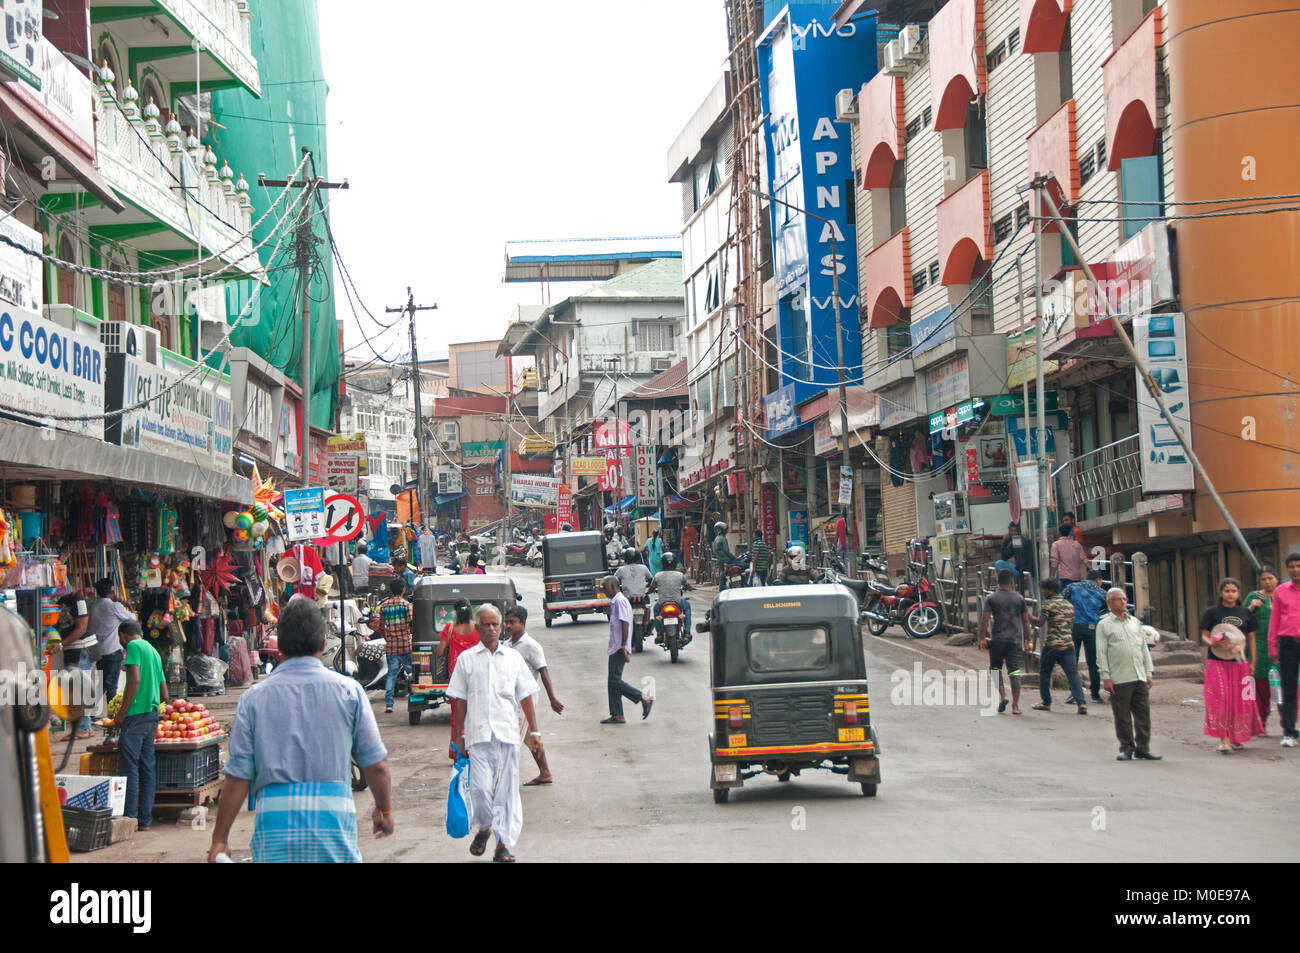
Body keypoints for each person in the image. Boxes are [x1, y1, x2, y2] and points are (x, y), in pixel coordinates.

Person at [209, 598, 392, 862]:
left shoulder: (254, 698)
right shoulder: (349, 692)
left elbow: (238, 777)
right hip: (333, 826)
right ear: (322, 644)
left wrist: (219, 840)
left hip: (274, 827)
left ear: (280, 647)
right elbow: (376, 765)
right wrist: (384, 809)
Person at [446, 604, 541, 863]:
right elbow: (460, 700)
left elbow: (526, 696)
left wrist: (535, 732)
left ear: (500, 627)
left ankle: (501, 845)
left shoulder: (513, 659)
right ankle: (485, 827)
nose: (491, 629)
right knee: (481, 791)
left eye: (495, 625)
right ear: (477, 628)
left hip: (507, 735)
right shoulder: (467, 659)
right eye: (485, 625)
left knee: (506, 794)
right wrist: (456, 738)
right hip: (477, 737)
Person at [112, 619, 167, 832]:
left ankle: (131, 816)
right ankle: (145, 820)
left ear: (124, 635)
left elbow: (133, 680)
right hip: (152, 715)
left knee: (130, 766)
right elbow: (164, 693)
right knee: (147, 766)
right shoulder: (153, 651)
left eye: (120, 638)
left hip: (135, 715)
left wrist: (122, 712)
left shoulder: (134, 647)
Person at [1200, 578, 1265, 753]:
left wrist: (1252, 662)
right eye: (1227, 591)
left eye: (1233, 591)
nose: (1230, 594)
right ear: (1221, 592)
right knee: (1219, 700)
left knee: (1242, 700)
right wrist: (1212, 643)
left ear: (1238, 593)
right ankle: (1224, 739)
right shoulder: (1211, 612)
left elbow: (1251, 638)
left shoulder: (1246, 612)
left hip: (1240, 663)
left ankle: (1238, 737)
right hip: (1217, 662)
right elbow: (1204, 636)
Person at [1096, 587, 1160, 761]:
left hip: (1139, 675)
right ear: (1109, 603)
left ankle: (1143, 748)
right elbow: (1101, 652)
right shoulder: (1104, 625)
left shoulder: (1135, 623)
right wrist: (1106, 676)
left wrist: (1148, 672)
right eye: (1118, 599)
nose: (1123, 602)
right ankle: (1126, 748)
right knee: (1122, 716)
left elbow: (1143, 649)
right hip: (1119, 676)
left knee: (1143, 715)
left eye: (1124, 599)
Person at [503, 605, 564, 785]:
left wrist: (553, 699)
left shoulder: (531, 646)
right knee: (531, 737)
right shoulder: (506, 645)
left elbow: (543, 672)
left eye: (512, 622)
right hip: (510, 698)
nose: (508, 626)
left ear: (522, 623)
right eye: (506, 622)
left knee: (513, 737)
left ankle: (507, 779)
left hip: (525, 700)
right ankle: (545, 772)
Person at [600, 575, 652, 725]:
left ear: (612, 587)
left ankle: (642, 697)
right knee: (612, 682)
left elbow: (625, 624)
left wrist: (623, 646)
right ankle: (617, 714)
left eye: (604, 589)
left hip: (619, 647)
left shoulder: (620, 601)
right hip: (615, 646)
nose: (604, 592)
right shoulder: (615, 601)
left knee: (614, 681)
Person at [1030, 578, 1087, 714]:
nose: (1043, 592)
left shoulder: (1048, 604)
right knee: (1073, 674)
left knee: (1044, 674)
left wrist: (1027, 616)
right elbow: (1071, 626)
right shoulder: (1069, 605)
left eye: (1044, 589)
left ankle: (1046, 702)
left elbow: (1040, 623)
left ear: (1050, 590)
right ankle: (1081, 703)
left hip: (1052, 645)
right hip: (1068, 645)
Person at [978, 569, 1031, 715]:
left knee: (995, 669)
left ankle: (1003, 695)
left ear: (997, 581)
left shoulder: (991, 598)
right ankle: (1016, 706)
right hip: (1015, 640)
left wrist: (982, 638)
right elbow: (1025, 620)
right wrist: (1029, 640)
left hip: (998, 640)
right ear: (1012, 581)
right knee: (1014, 671)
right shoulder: (1019, 598)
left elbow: (985, 619)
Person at [1268, 553, 1300, 748]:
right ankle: (1289, 732)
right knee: (1289, 689)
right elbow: (1274, 621)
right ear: (1287, 569)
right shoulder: (1281, 591)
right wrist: (1272, 646)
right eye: (1292, 567)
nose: (1296, 570)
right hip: (1288, 644)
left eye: (1298, 566)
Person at [88, 578, 135, 708]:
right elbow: (132, 619)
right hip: (112, 651)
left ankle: (90, 711)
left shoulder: (93, 607)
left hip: (98, 651)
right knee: (111, 685)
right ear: (111, 591)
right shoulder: (114, 606)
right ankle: (112, 713)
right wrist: (126, 604)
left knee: (103, 683)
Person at [1244, 566, 1279, 730]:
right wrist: (1251, 608)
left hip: (1281, 647)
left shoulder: (1284, 594)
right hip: (1258, 648)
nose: (1267, 582)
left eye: (1270, 578)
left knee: (1284, 687)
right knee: (1260, 689)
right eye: (1263, 579)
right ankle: (1260, 724)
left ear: (1276, 579)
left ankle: (1288, 725)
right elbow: (1241, 620)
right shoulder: (1254, 597)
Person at [1065, 569, 1108, 702]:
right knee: (1093, 662)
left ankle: (1074, 692)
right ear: (1099, 580)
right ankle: (1095, 694)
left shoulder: (1072, 587)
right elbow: (1107, 610)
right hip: (1092, 628)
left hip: (1073, 627)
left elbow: (1063, 601)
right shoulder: (1102, 592)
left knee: (1073, 661)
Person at [56, 591, 93, 739]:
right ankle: (86, 727)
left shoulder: (78, 600)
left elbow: (82, 628)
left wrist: (60, 644)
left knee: (78, 689)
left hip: (82, 649)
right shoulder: (61, 600)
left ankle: (83, 728)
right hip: (72, 651)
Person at [374, 578, 413, 714]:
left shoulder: (384, 606)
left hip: (391, 646)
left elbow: (381, 627)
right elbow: (412, 624)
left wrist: (388, 638)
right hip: (405, 645)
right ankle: (415, 695)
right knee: (412, 671)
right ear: (403, 590)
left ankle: (389, 704)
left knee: (391, 674)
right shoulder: (407, 605)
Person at [436, 598, 480, 680]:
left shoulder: (450, 627)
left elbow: (440, 652)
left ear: (456, 612)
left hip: (455, 673)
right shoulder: (478, 628)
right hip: (475, 672)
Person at [650, 551, 693, 632]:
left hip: (662, 602)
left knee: (655, 610)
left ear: (662, 563)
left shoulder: (657, 575)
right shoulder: (680, 575)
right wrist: (690, 588)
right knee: (687, 607)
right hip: (678, 601)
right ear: (675, 563)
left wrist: (649, 592)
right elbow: (688, 586)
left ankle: (659, 633)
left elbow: (651, 588)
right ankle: (687, 631)